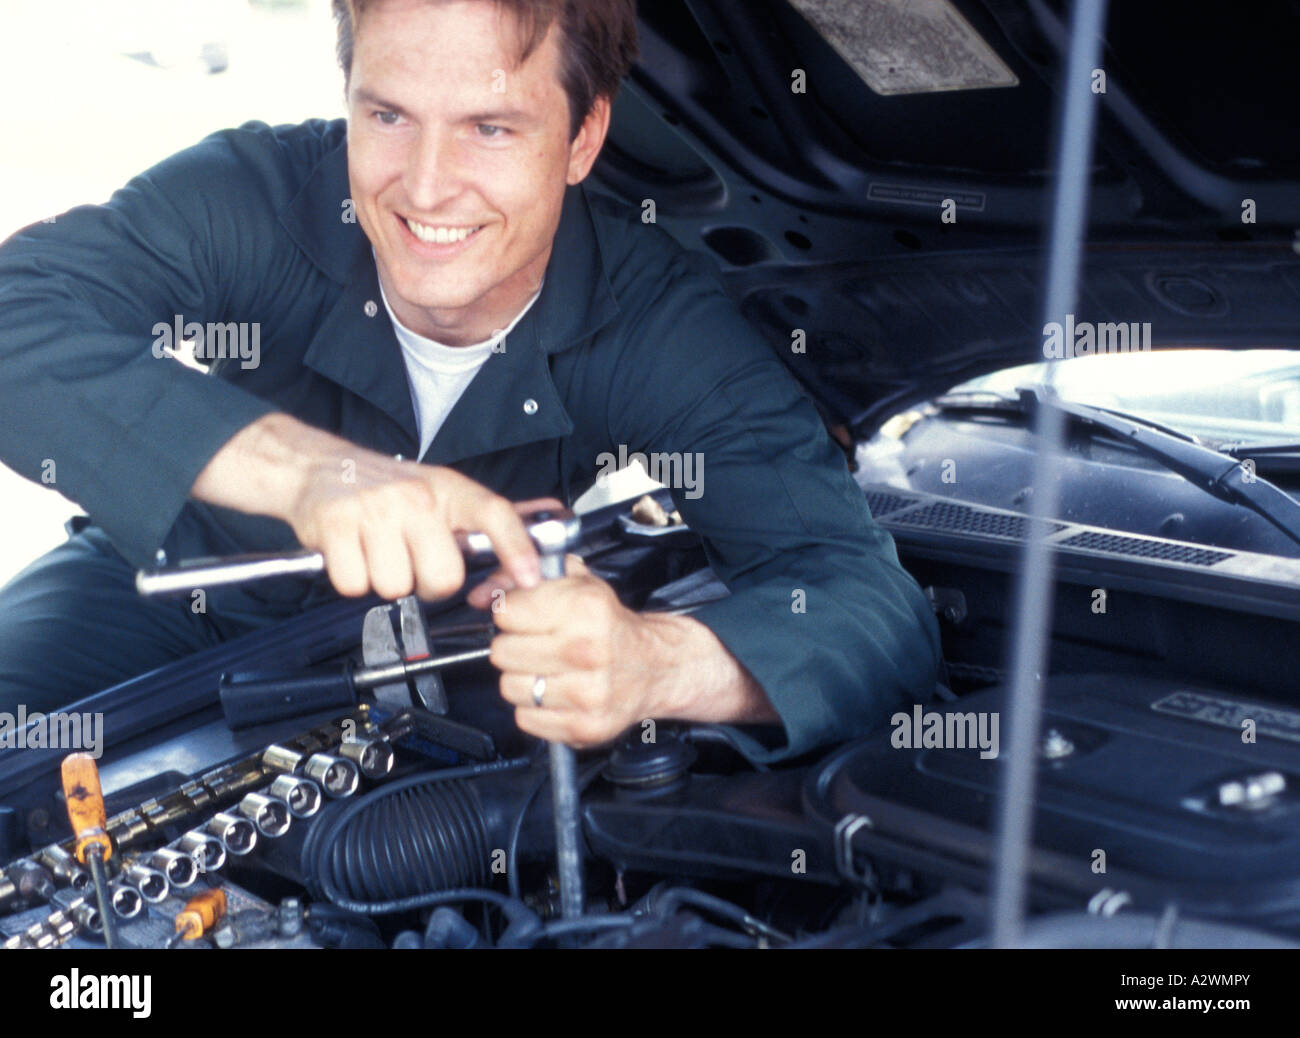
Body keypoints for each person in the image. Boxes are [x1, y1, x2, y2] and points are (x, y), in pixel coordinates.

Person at [0, 0, 941, 762]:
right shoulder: (255, 194)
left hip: (442, 655)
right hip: (159, 590)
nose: (426, 184)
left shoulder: (658, 320)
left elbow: (862, 595)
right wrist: (306, 473)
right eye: (388, 116)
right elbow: (18, 314)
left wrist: (659, 664)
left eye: (490, 127)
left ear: (582, 139)